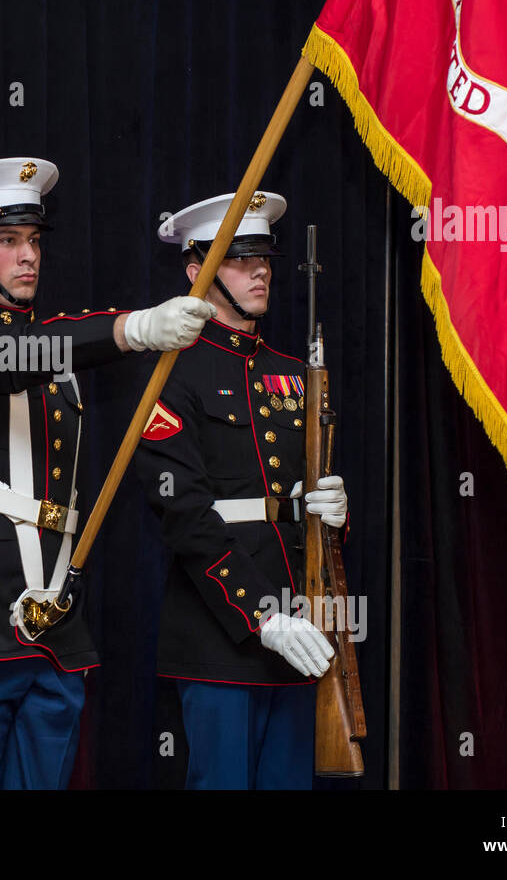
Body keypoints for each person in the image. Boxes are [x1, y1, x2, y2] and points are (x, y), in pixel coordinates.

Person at [0, 156, 214, 789]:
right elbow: (8, 357)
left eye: (33, 240)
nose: (27, 256)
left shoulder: (56, 344)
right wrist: (133, 330)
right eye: (6, 239)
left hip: (54, 616)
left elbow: (48, 343)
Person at [135, 190, 350, 789]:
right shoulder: (170, 372)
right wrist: (262, 612)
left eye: (265, 257)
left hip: (300, 629)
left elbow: (299, 496)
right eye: (238, 257)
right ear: (196, 271)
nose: (260, 270)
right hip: (222, 630)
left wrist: (333, 511)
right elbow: (183, 516)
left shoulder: (289, 372)